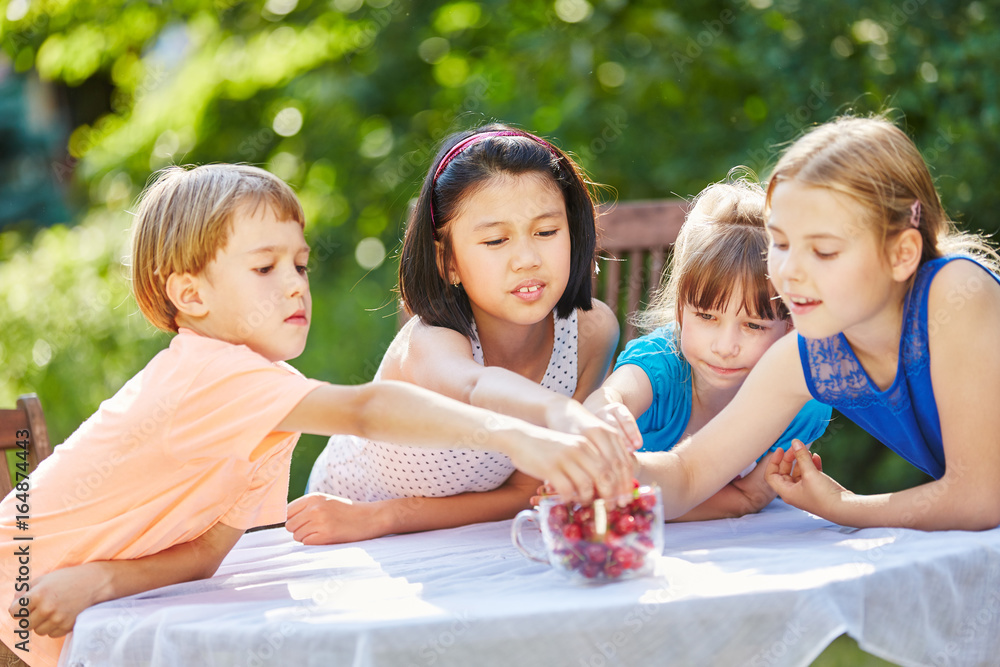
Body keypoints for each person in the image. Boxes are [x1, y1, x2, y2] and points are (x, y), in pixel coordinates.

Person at [0, 164, 634, 667]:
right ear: (189, 294)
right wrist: (523, 436)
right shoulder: (210, 374)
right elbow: (365, 407)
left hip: (45, 606)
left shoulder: (268, 401)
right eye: (265, 267)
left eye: (300, 264)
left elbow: (204, 558)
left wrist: (98, 582)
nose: (296, 284)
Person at [637, 115, 1000, 531]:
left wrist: (842, 505)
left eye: (824, 251)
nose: (788, 272)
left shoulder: (956, 293)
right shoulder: (807, 355)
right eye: (781, 243)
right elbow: (688, 473)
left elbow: (980, 498)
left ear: (902, 254)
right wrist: (594, 466)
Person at [288, 124, 634, 545]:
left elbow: (527, 494)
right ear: (448, 260)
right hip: (346, 522)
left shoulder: (592, 332)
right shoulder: (430, 341)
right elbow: (473, 385)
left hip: (456, 532)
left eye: (546, 232)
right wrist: (556, 412)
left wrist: (390, 517)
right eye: (495, 240)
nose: (527, 259)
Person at [584, 176, 831, 521]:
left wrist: (625, 490)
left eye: (753, 325)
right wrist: (603, 410)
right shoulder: (661, 364)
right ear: (680, 311)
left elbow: (752, 499)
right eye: (706, 316)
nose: (725, 346)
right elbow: (613, 398)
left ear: (791, 326)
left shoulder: (801, 404)